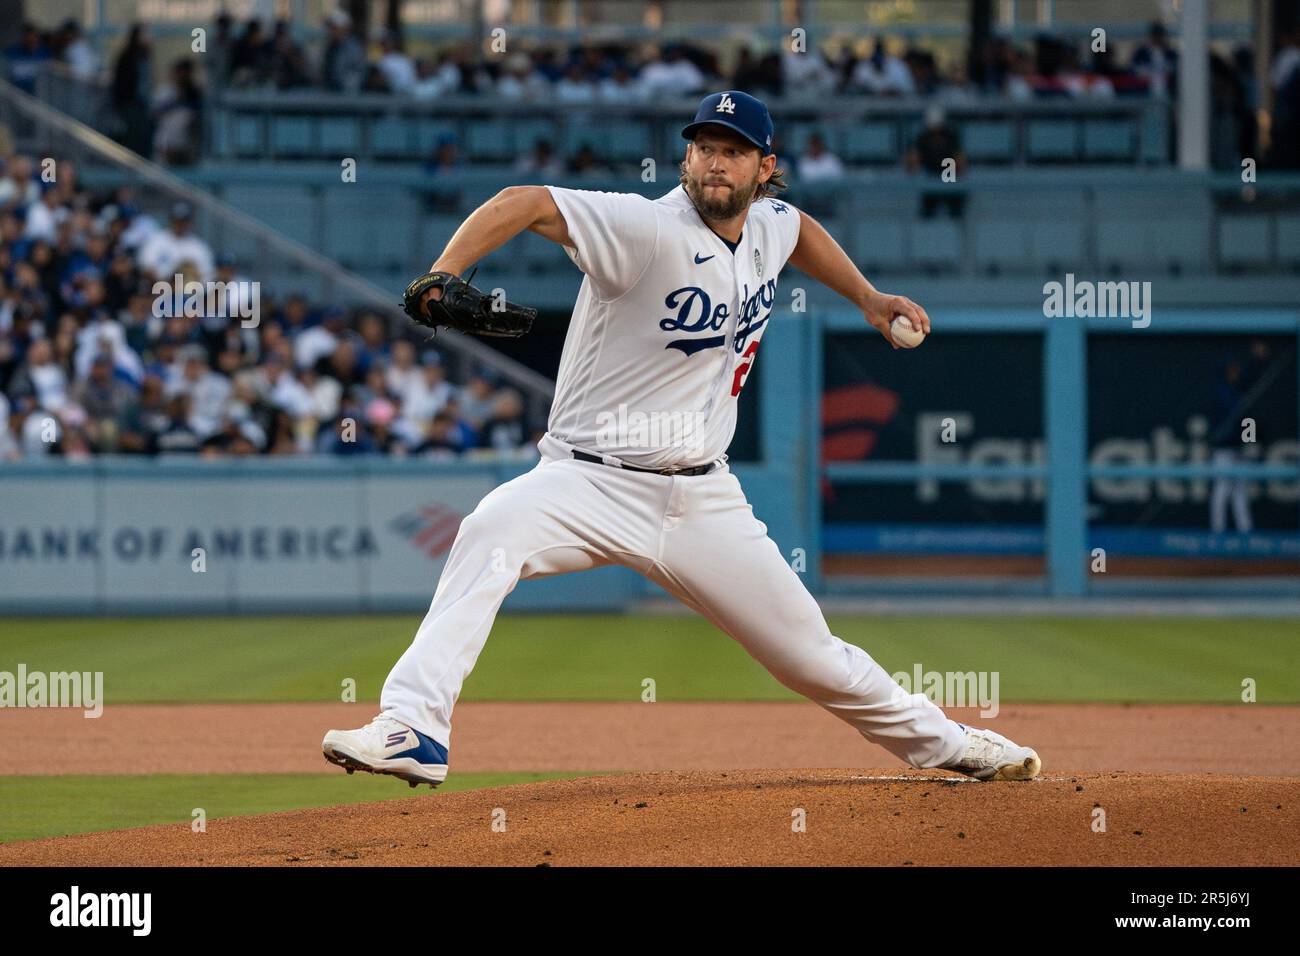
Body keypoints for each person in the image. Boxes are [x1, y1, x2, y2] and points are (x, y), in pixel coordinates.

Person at [322, 90, 1042, 788]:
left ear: (765, 167)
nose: (714, 163)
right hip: (586, 480)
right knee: (488, 533)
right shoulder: (644, 228)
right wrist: (446, 271)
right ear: (686, 159)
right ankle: (413, 727)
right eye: (703, 148)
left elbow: (801, 232)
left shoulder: (769, 225)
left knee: (811, 658)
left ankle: (950, 745)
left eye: (733, 152)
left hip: (702, 497)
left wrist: (867, 297)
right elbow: (526, 201)